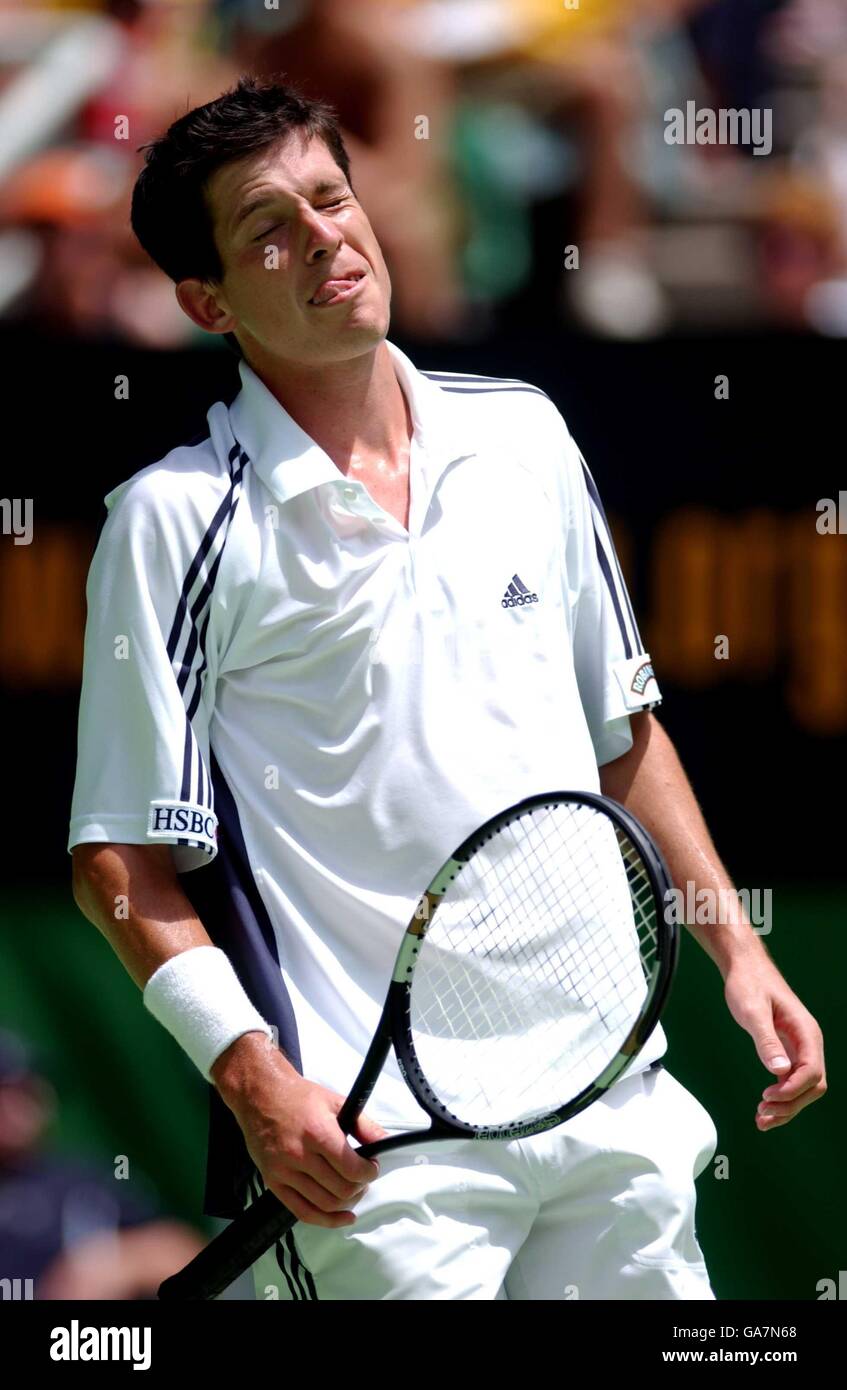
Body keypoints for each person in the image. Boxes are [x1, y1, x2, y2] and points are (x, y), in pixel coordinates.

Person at [69, 75, 826, 1301]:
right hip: (382, 1162)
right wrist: (257, 1080)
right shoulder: (171, 522)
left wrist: (737, 951)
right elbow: (118, 862)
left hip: (611, 1099)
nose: (325, 235)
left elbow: (620, 735)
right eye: (270, 227)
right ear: (207, 299)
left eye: (332, 197)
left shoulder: (527, 432)